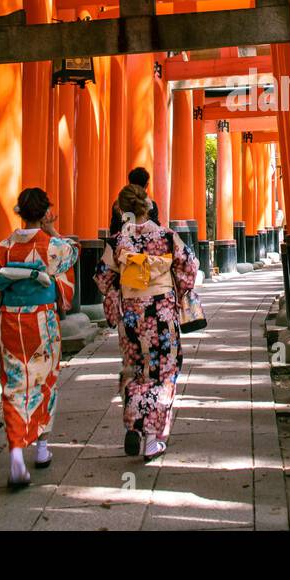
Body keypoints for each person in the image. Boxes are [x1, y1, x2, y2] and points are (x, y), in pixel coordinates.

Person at [0, 187, 79, 488]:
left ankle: (16, 456)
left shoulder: (5, 247)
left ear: (19, 212)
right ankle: (43, 447)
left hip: (12, 321)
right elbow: (73, 253)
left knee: (14, 384)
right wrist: (50, 229)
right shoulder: (52, 246)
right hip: (43, 321)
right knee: (44, 381)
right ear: (45, 211)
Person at [94, 183, 199, 461]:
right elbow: (189, 267)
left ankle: (133, 421)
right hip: (161, 312)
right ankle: (153, 438)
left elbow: (103, 278)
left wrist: (125, 289)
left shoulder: (117, 242)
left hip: (131, 313)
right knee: (163, 369)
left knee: (134, 366)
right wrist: (174, 284)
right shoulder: (166, 237)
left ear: (121, 210)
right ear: (147, 205)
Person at [109, 166, 160, 234]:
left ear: (130, 183)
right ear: (146, 185)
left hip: (123, 241)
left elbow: (114, 229)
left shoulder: (119, 204)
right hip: (147, 242)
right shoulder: (151, 205)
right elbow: (156, 228)